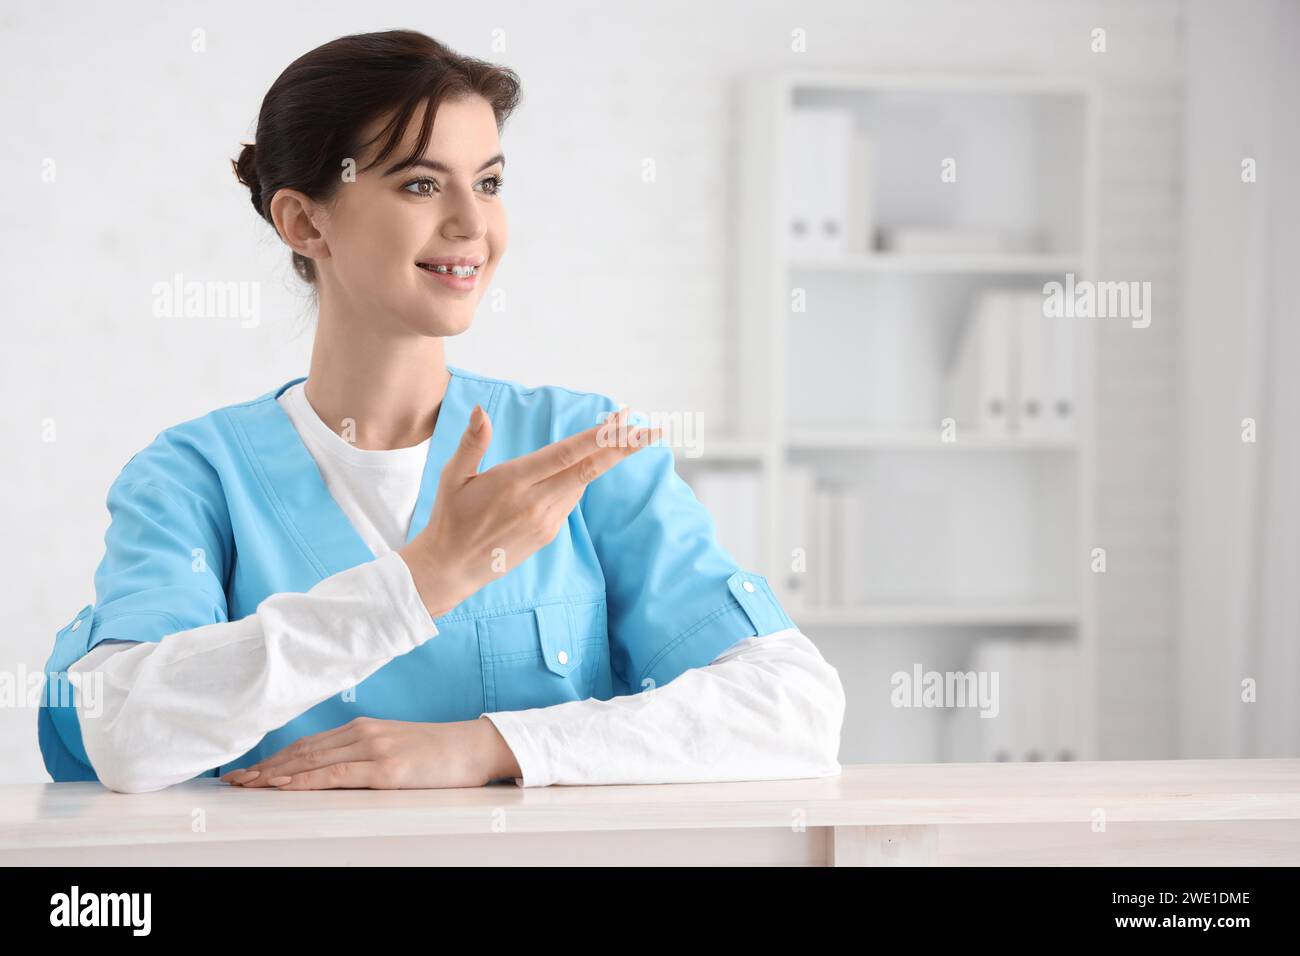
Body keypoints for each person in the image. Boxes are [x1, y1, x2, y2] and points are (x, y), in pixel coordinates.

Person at [38, 29, 845, 794]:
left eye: (489, 183)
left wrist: (485, 748)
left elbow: (797, 708)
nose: (473, 225)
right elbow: (124, 733)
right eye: (421, 184)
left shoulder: (580, 451)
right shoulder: (194, 478)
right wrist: (424, 580)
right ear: (304, 219)